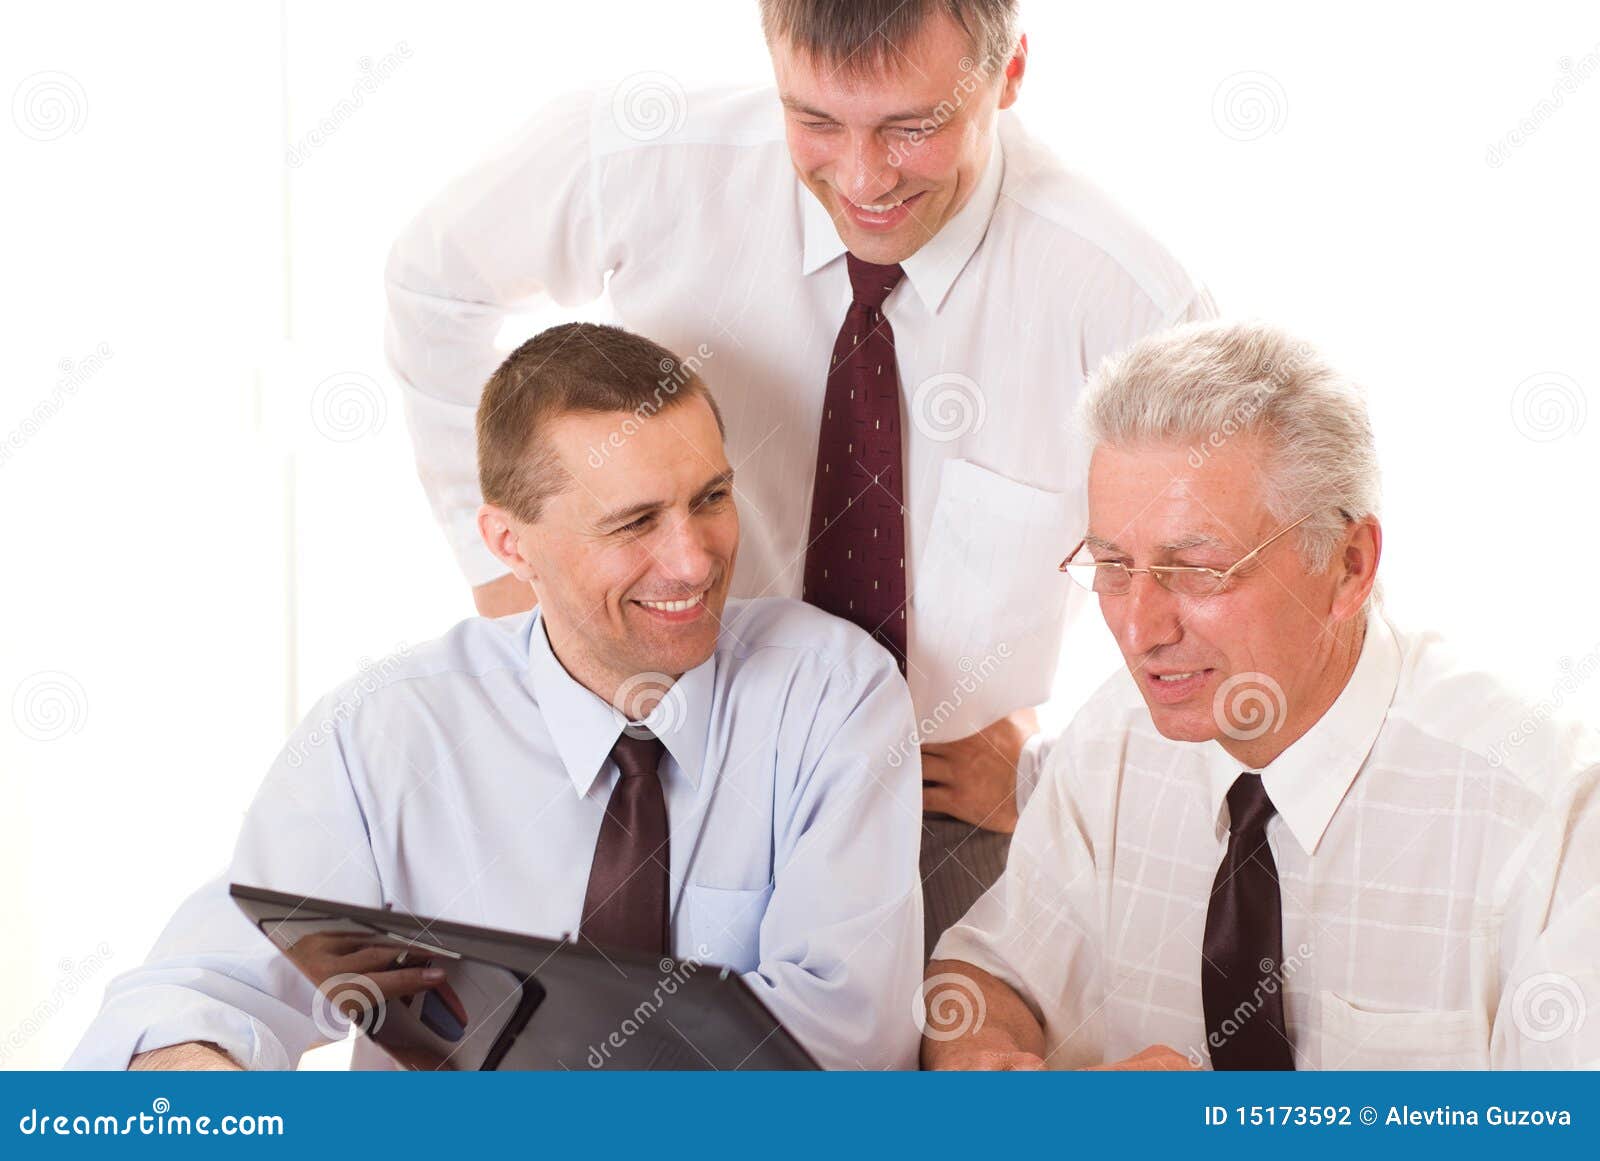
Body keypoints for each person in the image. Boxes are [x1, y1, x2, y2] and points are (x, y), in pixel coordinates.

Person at [383, 0, 1215, 944]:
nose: (862, 178)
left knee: (940, 1075)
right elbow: (433, 285)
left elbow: (1240, 587)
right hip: (664, 758)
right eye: (816, 120)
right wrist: (511, 583)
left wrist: (1047, 779)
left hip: (936, 809)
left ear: (1009, 73)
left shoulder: (1123, 296)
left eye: (914, 126)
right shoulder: (653, 157)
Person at [69, 324, 923, 1071]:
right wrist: (198, 1068)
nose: (694, 560)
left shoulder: (832, 697)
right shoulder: (391, 729)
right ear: (510, 544)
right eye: (634, 523)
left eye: (711, 499)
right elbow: (210, 978)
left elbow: (849, 1043)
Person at [922, 320, 1600, 1070]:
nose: (1140, 629)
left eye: (1199, 569)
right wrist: (990, 1062)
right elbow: (993, 970)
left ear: (1348, 565)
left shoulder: (1549, 806)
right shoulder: (1112, 735)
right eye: (1114, 564)